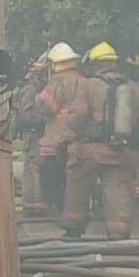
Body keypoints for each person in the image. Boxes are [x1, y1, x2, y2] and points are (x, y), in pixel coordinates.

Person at [64, 43, 139, 240]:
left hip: (90, 150)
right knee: (119, 190)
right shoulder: (133, 88)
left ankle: (73, 228)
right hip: (121, 150)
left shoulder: (89, 85)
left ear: (94, 64)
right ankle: (119, 231)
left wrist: (74, 133)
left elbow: (77, 116)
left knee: (78, 184)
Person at [35, 43, 92, 224]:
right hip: (81, 137)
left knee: (54, 175)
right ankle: (79, 210)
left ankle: (60, 209)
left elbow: (45, 106)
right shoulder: (85, 80)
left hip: (56, 138)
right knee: (76, 177)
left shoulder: (57, 81)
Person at [11, 54, 50, 216]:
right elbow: (26, 115)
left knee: (32, 168)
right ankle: (36, 206)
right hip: (34, 135)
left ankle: (31, 205)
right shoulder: (32, 89)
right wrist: (47, 118)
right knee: (35, 168)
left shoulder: (32, 87)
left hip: (32, 135)